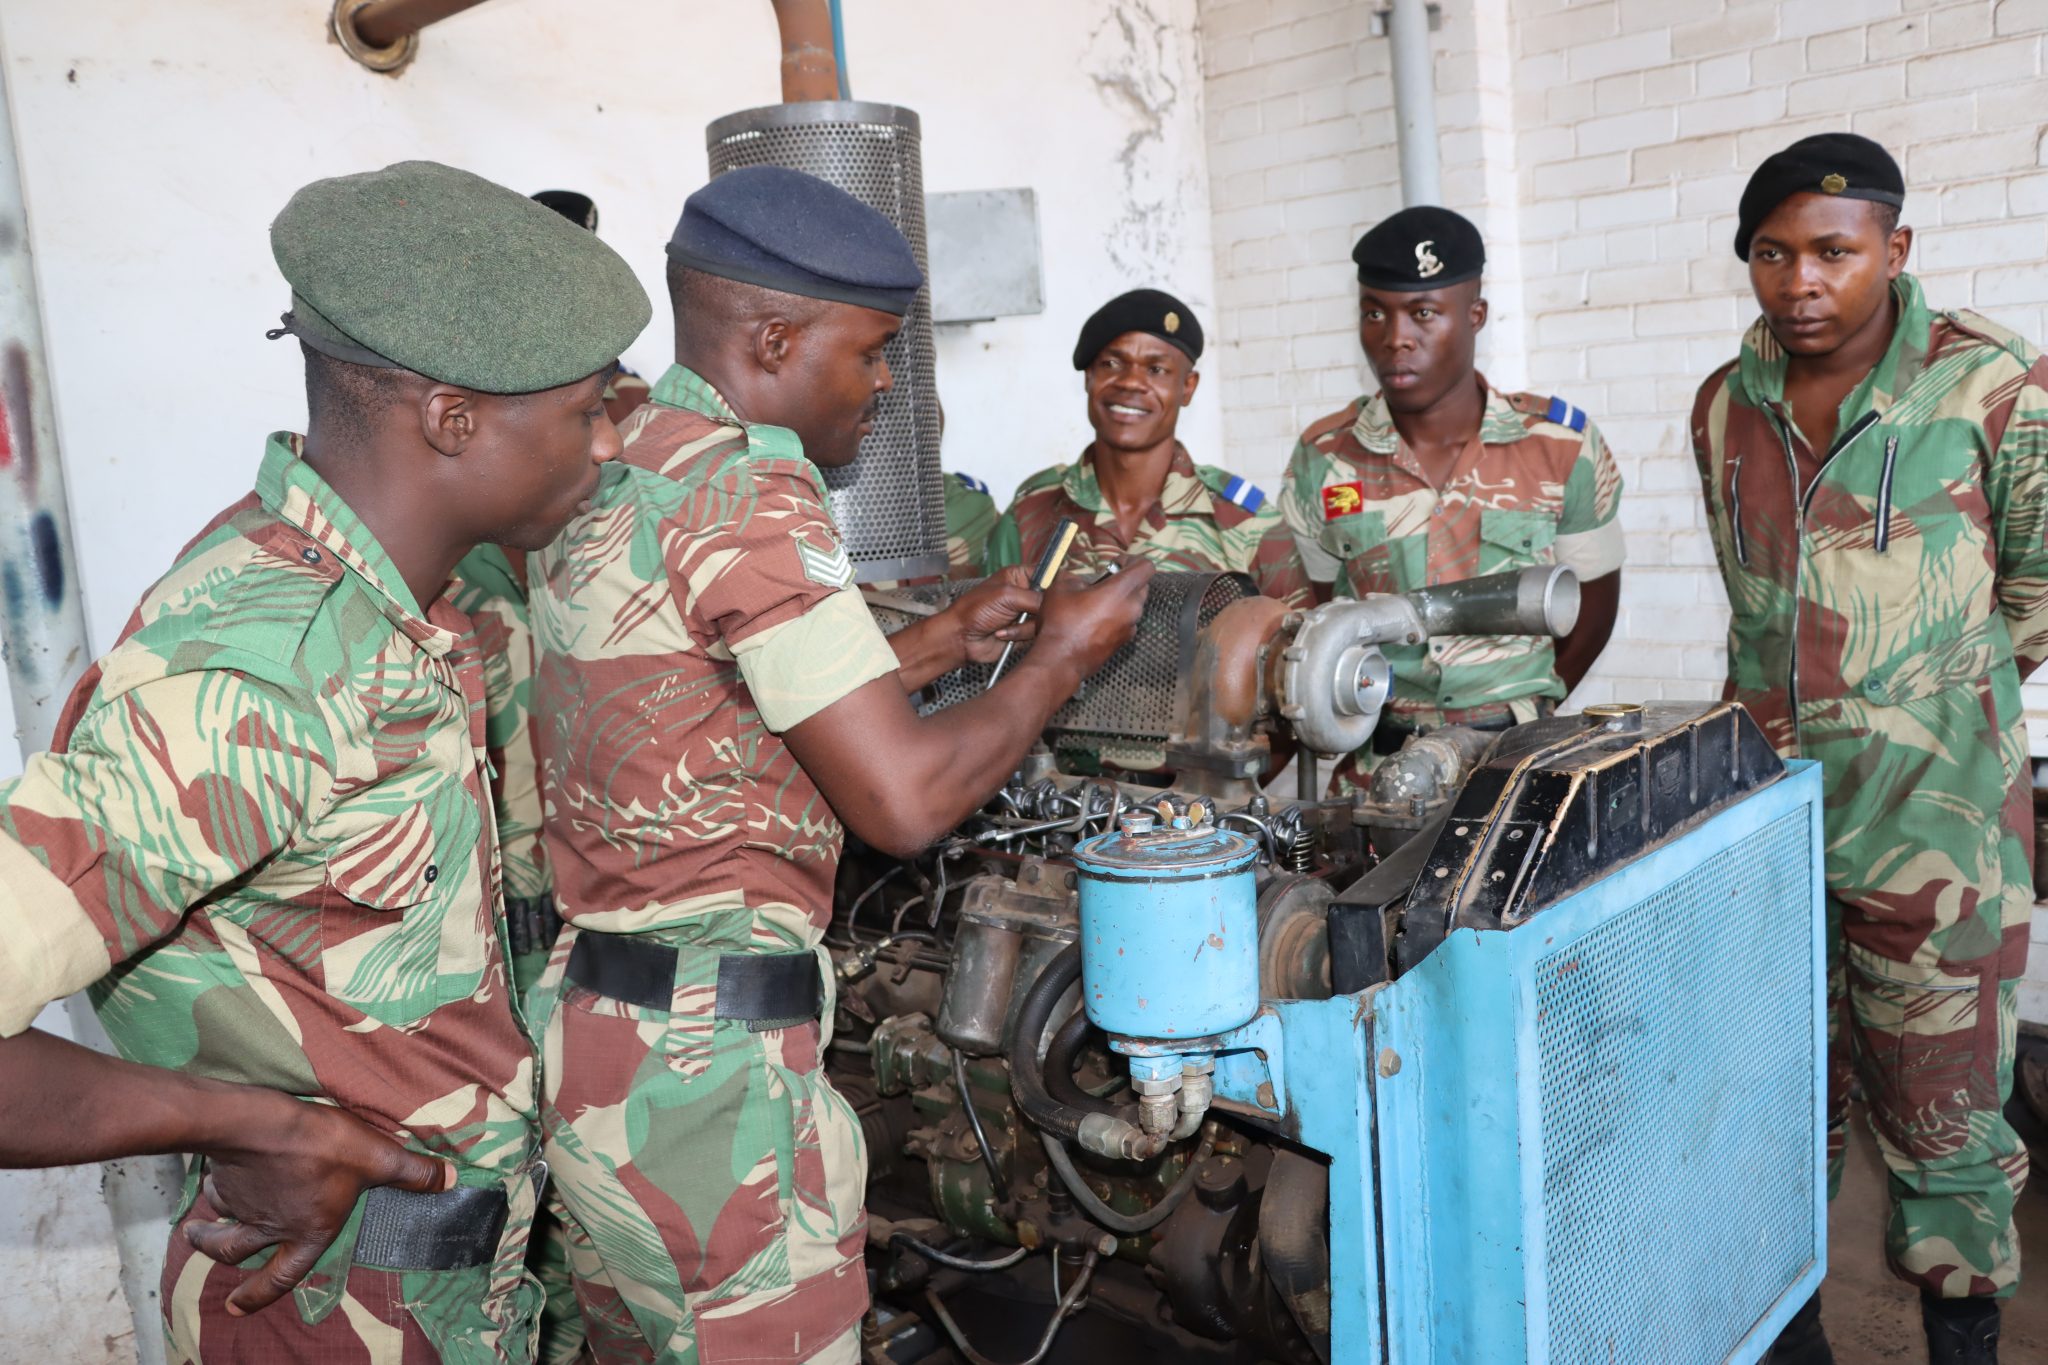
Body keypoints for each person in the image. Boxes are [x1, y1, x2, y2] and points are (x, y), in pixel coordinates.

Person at [0, 160, 649, 1361]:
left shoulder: (395, 605)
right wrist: (250, 1128)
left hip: (452, 1296)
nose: (611, 444)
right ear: (453, 418)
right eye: (588, 410)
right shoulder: (261, 674)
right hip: (324, 1316)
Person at [526, 165, 1151, 1363]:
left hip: (603, 1041)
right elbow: (906, 801)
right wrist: (1057, 660)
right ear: (771, 338)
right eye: (869, 353)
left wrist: (931, 647)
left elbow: (692, 699)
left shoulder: (623, 459)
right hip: (714, 1086)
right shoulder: (753, 489)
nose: (880, 384)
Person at [1693, 133, 2037, 1365]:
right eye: (1771, 254)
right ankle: (1790, 1342)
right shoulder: (1724, 402)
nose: (1800, 282)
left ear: (1893, 251)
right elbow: (1754, 606)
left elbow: (2034, 594)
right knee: (1778, 1107)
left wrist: (1926, 705)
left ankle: (1963, 1346)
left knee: (1946, 1125)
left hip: (1933, 832)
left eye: (1832, 253)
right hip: (1768, 828)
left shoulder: (1993, 385)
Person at [1278, 206, 1624, 794]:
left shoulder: (1560, 446)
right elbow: (1319, 610)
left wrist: (1522, 717)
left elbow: (1592, 604)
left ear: (1475, 315)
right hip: (1375, 772)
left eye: (1423, 314)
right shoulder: (1325, 456)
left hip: (1517, 769)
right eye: (1373, 313)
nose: (1395, 339)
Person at [987, 287, 1312, 609]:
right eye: (1112, 364)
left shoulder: (1247, 522)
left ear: (1187, 387)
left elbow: (1296, 650)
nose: (1130, 382)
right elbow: (989, 648)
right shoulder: (1031, 511)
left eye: (1156, 369)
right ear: (1088, 378)